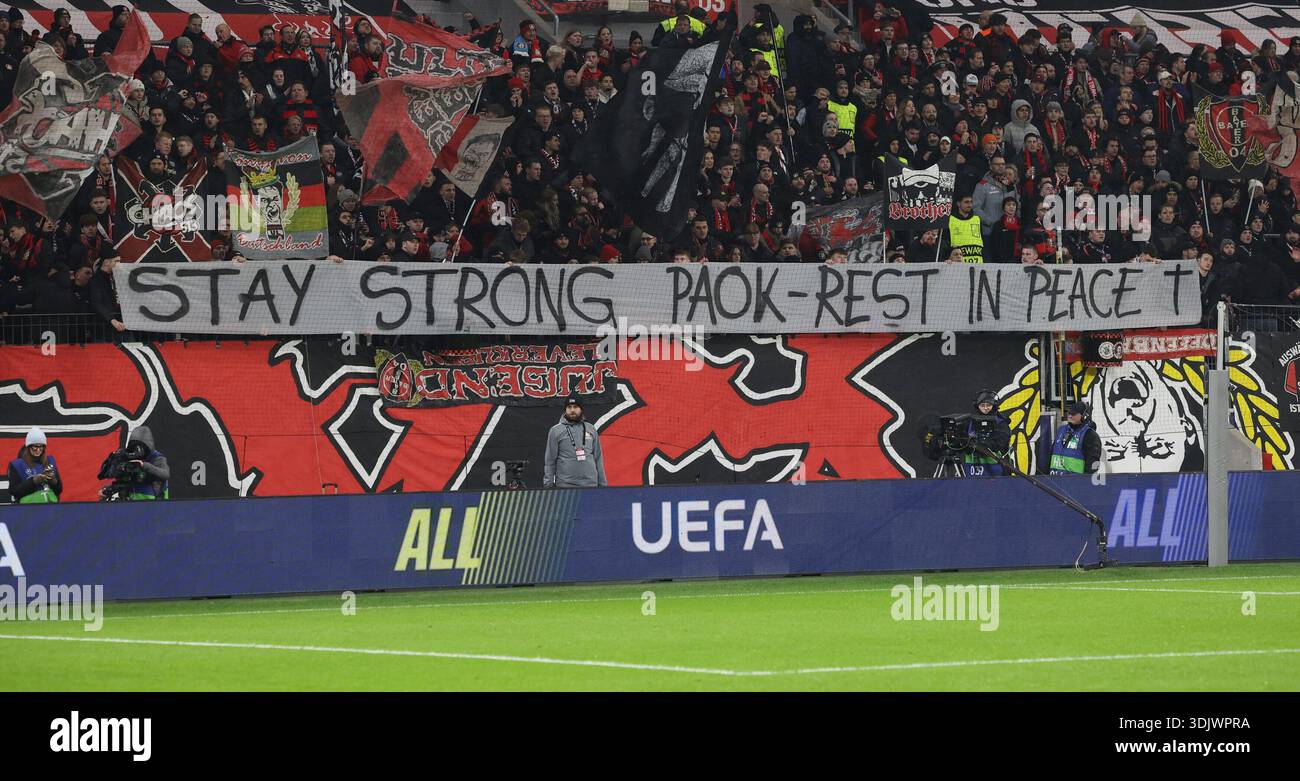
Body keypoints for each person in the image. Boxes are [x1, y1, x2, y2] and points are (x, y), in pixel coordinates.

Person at [543, 397, 607, 489]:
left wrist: (603, 484)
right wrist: (548, 484)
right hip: (565, 485)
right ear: (565, 410)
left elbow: (598, 457)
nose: (572, 410)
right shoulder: (555, 430)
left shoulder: (591, 428)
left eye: (575, 407)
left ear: (581, 409)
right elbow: (550, 460)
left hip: (591, 484)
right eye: (569, 407)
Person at [961, 389, 1012, 477]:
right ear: (977, 406)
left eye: (988, 405)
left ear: (994, 405)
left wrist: (985, 444)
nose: (985, 408)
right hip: (973, 468)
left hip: (997, 467)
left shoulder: (1001, 422)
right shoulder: (970, 422)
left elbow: (1001, 443)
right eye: (982, 405)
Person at [1048, 401, 1103, 475]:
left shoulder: (1090, 435)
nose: (1070, 416)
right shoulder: (1061, 430)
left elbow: (1093, 465)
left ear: (1083, 416)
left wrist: (1086, 482)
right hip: (1053, 481)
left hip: (1075, 483)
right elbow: (1051, 455)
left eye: (1073, 414)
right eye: (1069, 413)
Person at [8, 428, 62, 504]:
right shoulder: (17, 465)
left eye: (41, 447)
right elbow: (14, 492)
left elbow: (59, 490)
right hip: (29, 509)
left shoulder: (50, 461)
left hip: (51, 507)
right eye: (35, 447)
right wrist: (33, 481)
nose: (38, 450)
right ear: (28, 447)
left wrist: (53, 481)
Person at [117, 426, 170, 500]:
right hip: (133, 503)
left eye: (140, 447)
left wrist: (143, 465)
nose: (137, 451)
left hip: (155, 503)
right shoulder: (131, 458)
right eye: (134, 447)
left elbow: (165, 474)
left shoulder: (157, 457)